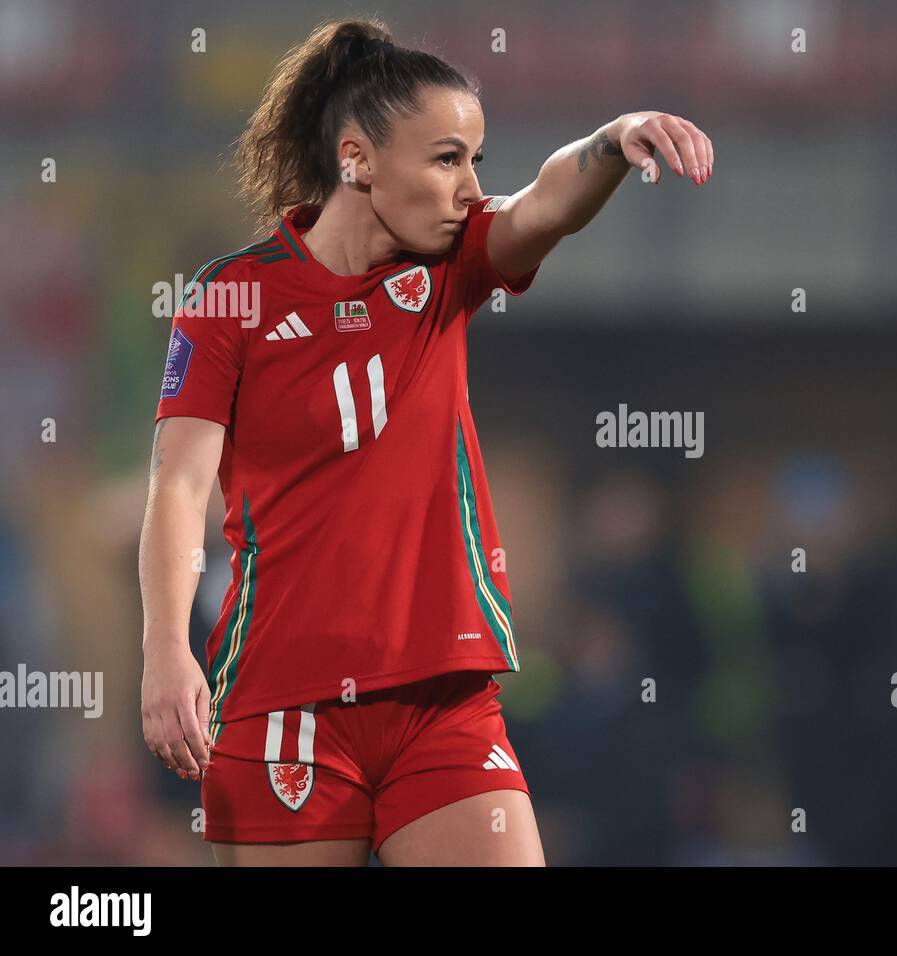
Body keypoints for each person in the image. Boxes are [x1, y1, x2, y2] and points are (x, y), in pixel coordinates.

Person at [138, 17, 714, 866]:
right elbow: (179, 487)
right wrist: (164, 653)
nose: (471, 186)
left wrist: (614, 140)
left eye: (475, 159)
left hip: (445, 700)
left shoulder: (452, 266)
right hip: (284, 703)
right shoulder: (233, 297)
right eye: (448, 160)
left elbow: (545, 202)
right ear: (358, 159)